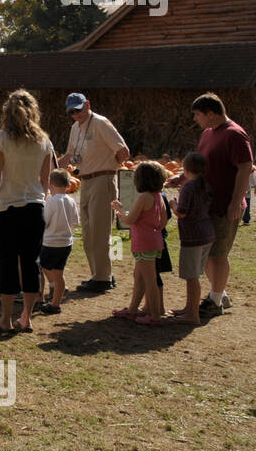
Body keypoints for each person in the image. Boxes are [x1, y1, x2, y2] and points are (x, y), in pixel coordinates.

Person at [0, 89, 54, 333]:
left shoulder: (2, 138)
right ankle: (26, 318)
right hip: (34, 207)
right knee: (31, 262)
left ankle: (5, 318)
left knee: (7, 263)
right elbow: (46, 179)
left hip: (6, 208)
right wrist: (40, 198)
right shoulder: (44, 140)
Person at [59, 93, 130, 293]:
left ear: (88, 105)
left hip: (102, 179)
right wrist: (57, 164)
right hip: (85, 180)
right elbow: (70, 155)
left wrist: (111, 168)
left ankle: (102, 278)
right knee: (89, 233)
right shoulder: (75, 127)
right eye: (72, 111)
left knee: (100, 232)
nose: (76, 114)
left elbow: (123, 150)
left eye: (79, 109)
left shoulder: (100, 123)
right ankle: (100, 274)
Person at [193, 93, 254, 318]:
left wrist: (236, 202)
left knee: (217, 254)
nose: (196, 119)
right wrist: (183, 178)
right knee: (207, 252)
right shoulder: (208, 133)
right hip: (206, 203)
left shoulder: (235, 134)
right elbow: (202, 164)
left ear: (211, 113)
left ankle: (215, 301)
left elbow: (245, 168)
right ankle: (220, 294)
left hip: (225, 204)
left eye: (198, 115)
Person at [111, 162, 168, 325]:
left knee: (150, 281)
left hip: (144, 243)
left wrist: (120, 210)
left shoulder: (143, 197)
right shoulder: (159, 196)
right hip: (154, 242)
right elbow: (163, 220)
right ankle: (133, 310)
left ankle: (155, 316)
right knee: (139, 277)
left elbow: (130, 219)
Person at [169, 151, 215, 325]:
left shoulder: (189, 187)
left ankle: (193, 315)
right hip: (207, 233)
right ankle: (190, 308)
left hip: (193, 236)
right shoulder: (206, 185)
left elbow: (182, 213)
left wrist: (173, 204)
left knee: (192, 276)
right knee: (194, 274)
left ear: (186, 169)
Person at [39, 168, 81, 315]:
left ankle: (41, 296)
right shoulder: (71, 201)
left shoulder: (50, 201)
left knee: (40, 266)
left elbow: (45, 222)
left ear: (50, 185)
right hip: (66, 242)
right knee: (59, 272)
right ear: (69, 184)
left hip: (51, 242)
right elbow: (75, 221)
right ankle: (55, 303)